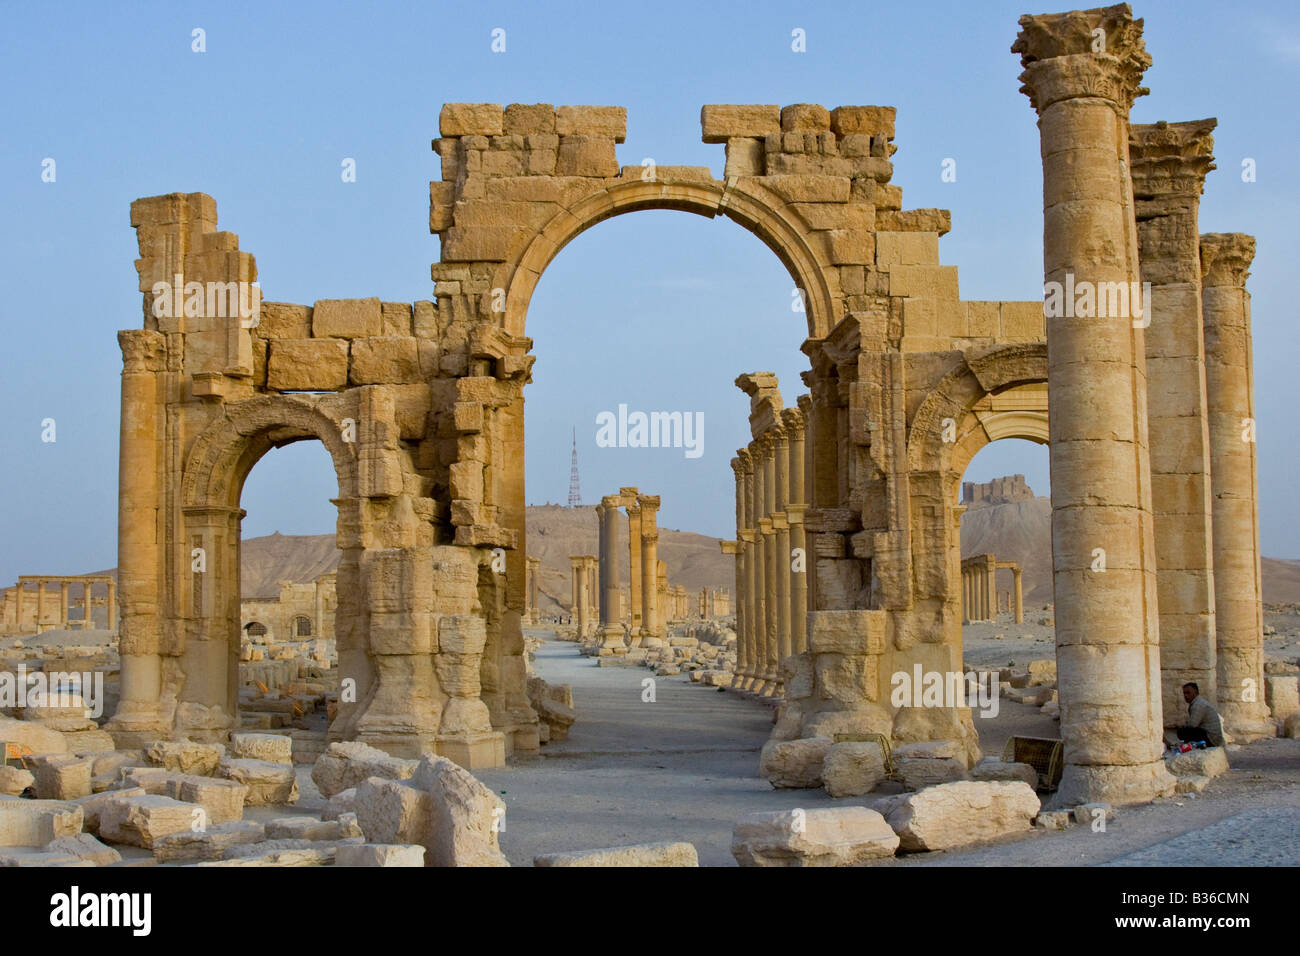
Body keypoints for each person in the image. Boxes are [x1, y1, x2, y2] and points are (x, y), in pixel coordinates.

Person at [1177, 682, 1224, 747]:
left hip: (1211, 739)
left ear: (1195, 692)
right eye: (1184, 693)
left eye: (1188, 693)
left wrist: (1184, 727)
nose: (1185, 696)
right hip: (1212, 736)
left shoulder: (1198, 705)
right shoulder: (1197, 702)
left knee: (1182, 732)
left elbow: (1192, 724)